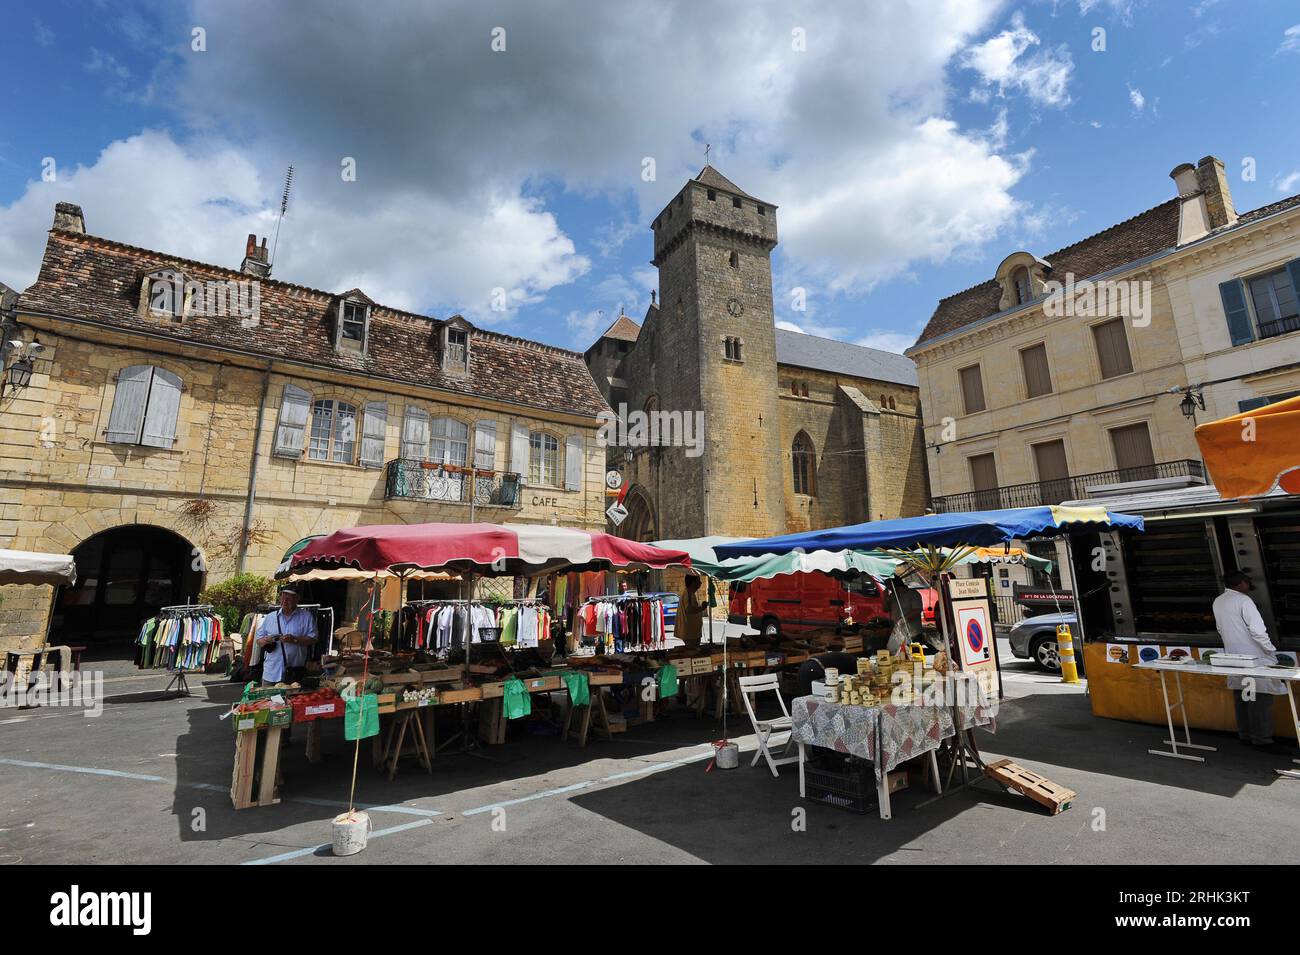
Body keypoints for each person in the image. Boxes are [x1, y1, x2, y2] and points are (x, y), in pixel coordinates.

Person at [1212, 571, 1290, 755]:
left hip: (1233, 656)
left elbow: (1219, 628)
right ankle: (1262, 739)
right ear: (1241, 584)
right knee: (1260, 698)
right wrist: (1269, 650)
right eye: (1248, 583)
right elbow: (1257, 630)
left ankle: (1245, 734)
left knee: (1243, 696)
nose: (1249, 586)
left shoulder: (1219, 600)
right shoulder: (1244, 601)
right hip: (1254, 657)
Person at [256, 586, 318, 686]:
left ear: (297, 599)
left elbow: (313, 639)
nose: (284, 601)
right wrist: (266, 640)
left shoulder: (306, 617)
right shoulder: (270, 617)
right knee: (267, 701)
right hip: (271, 672)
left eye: (289, 599)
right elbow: (258, 640)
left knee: (291, 701)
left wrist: (294, 639)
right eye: (283, 598)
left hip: (294, 673)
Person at [884, 565, 924, 654]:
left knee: (914, 658)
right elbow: (886, 609)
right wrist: (884, 597)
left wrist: (903, 619)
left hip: (913, 632)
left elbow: (917, 610)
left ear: (895, 585)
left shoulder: (913, 594)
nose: (888, 589)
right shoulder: (892, 596)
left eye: (889, 586)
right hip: (899, 633)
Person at [676, 574, 707, 649]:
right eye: (698, 581)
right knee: (693, 651)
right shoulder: (688, 593)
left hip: (691, 632)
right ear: (693, 582)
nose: (700, 583)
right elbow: (689, 609)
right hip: (690, 633)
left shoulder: (689, 593)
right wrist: (702, 608)